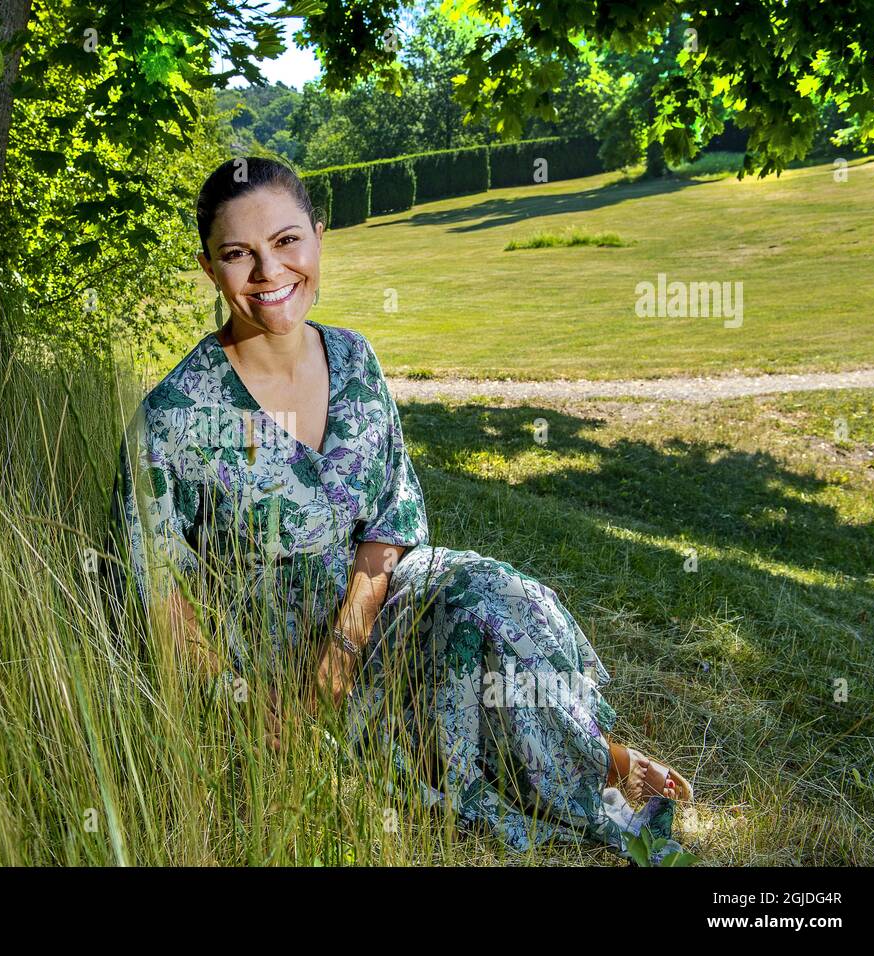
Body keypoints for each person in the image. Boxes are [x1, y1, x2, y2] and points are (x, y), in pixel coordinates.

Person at [110, 156, 691, 864]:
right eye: (239, 254)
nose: (269, 272)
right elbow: (159, 591)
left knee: (486, 596)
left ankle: (591, 751)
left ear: (319, 239)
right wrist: (247, 705)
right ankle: (583, 764)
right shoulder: (172, 419)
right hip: (276, 663)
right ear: (210, 269)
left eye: (288, 241)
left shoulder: (355, 359)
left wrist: (347, 646)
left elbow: (391, 522)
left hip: (374, 612)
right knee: (401, 767)